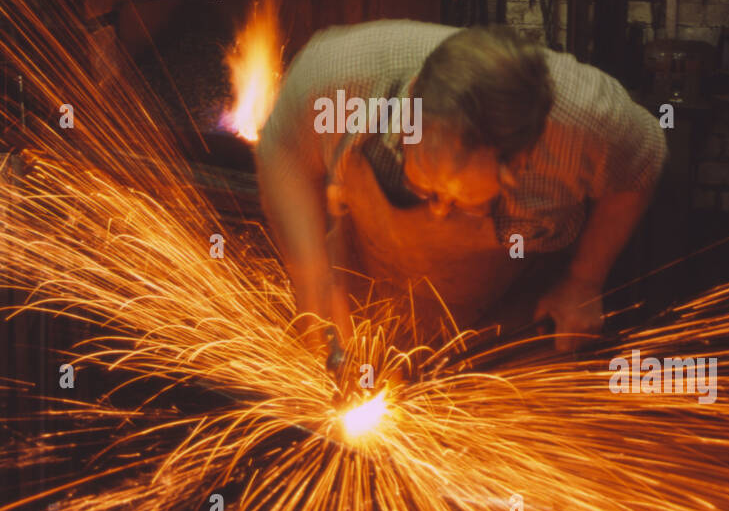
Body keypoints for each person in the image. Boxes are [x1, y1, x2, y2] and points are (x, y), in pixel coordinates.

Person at [256, 20, 666, 355]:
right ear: (414, 101)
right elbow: (284, 150)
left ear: (517, 163)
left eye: (453, 199)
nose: (436, 211)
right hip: (373, 300)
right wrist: (314, 280)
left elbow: (644, 163)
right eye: (427, 187)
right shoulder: (340, 82)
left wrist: (584, 280)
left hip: (511, 311)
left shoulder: (587, 125)